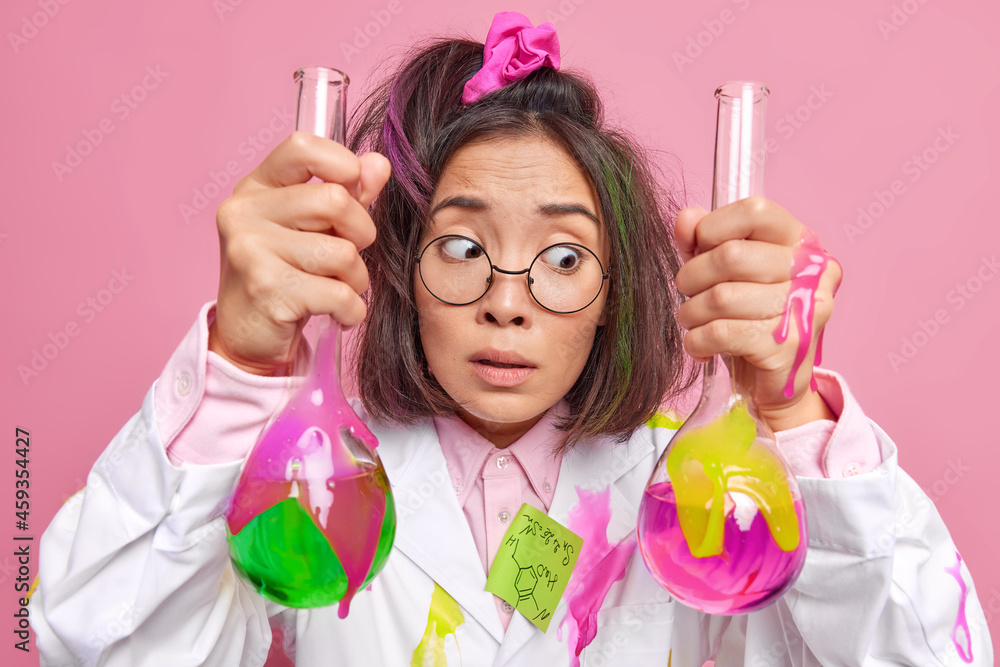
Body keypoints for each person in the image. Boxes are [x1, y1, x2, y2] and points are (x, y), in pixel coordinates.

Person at [30, 12, 993, 667]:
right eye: (461, 245)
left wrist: (787, 413)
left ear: (620, 295)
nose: (507, 302)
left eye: (565, 259)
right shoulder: (321, 480)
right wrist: (242, 364)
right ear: (399, 264)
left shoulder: (692, 497)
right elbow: (92, 639)